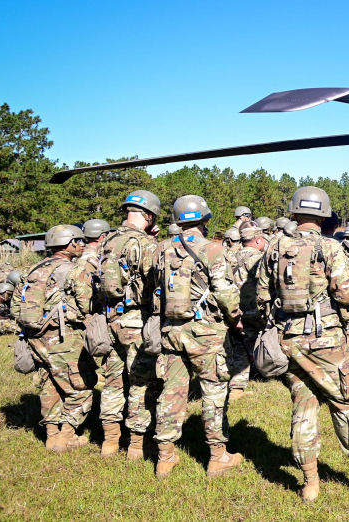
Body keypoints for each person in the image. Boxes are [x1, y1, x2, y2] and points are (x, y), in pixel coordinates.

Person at [257, 186, 349, 501]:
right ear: (324, 215)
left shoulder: (275, 247)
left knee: (303, 406)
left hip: (288, 339)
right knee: (346, 401)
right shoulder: (329, 248)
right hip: (324, 338)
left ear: (294, 212)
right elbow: (347, 294)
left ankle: (310, 483)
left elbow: (261, 295)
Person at [153, 195, 243, 478]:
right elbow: (225, 291)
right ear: (205, 220)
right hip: (206, 332)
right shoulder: (213, 249)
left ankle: (164, 456)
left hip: (170, 330)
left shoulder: (161, 249)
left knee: (172, 392)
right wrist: (236, 319)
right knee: (214, 391)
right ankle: (217, 457)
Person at [13, 225, 96, 451]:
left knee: (50, 385)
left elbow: (15, 306)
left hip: (36, 338)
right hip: (64, 338)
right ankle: (66, 436)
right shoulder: (73, 270)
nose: (81, 245)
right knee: (80, 388)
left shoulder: (33, 270)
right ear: (68, 244)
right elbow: (86, 306)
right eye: (78, 241)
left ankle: (51, 435)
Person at [98, 190, 162, 461]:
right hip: (136, 320)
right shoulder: (145, 244)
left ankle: (109, 441)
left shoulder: (108, 240)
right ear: (149, 215)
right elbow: (156, 281)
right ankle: (136, 445)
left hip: (108, 319)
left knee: (112, 382)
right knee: (140, 384)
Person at [73, 218, 122, 456]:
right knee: (120, 380)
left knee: (111, 382)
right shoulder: (96, 263)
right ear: (103, 237)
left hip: (96, 326)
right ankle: (118, 439)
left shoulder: (78, 261)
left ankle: (109, 441)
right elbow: (87, 303)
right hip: (105, 324)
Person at [227, 220, 268, 402]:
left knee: (240, 345)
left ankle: (236, 384)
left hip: (234, 309)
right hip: (253, 310)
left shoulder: (230, 256)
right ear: (258, 240)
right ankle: (267, 372)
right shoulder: (257, 259)